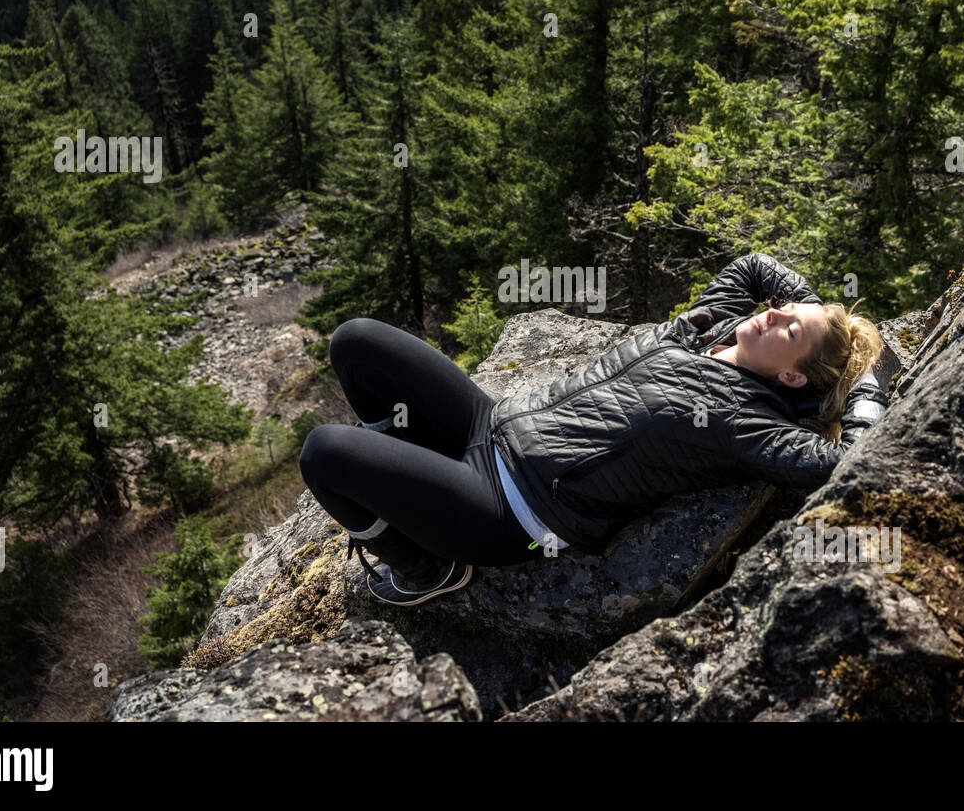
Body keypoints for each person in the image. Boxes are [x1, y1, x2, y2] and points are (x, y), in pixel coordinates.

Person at [299, 252, 888, 607]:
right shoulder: (712, 326)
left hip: (511, 510)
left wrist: (864, 381)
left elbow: (854, 463)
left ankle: (423, 565)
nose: (775, 313)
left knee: (324, 452)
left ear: (790, 378)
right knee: (356, 341)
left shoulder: (749, 423)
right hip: (491, 424)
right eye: (786, 310)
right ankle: (410, 480)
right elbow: (757, 266)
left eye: (790, 331)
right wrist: (824, 319)